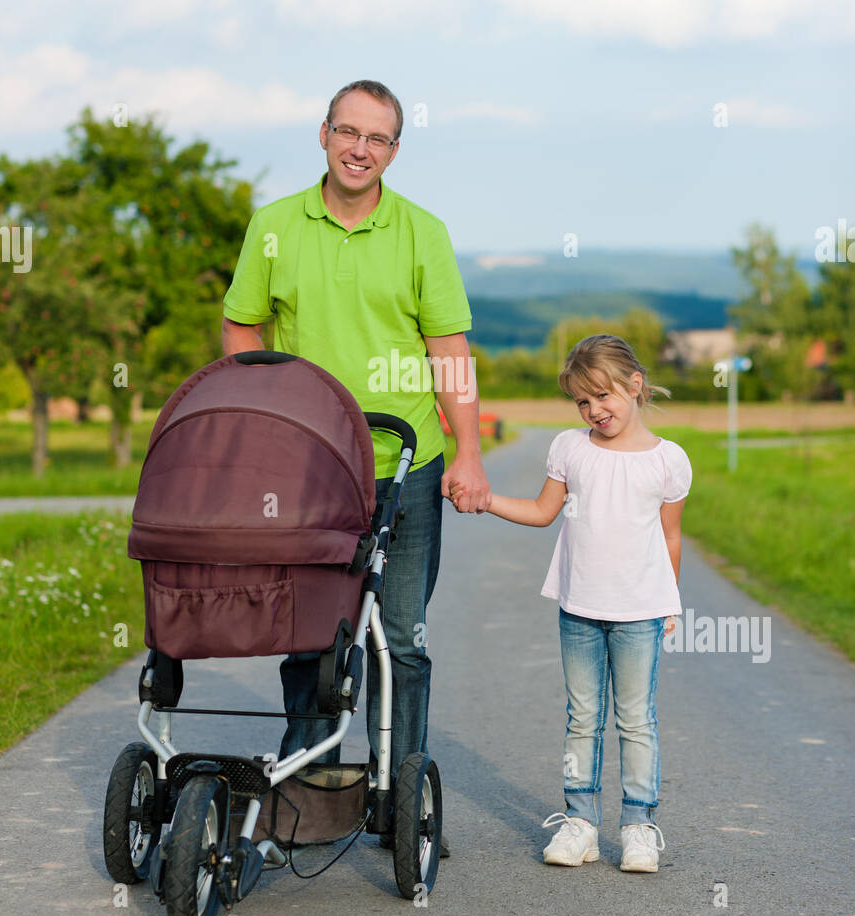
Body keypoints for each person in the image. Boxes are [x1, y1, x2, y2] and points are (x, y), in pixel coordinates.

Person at [221, 79, 491, 850]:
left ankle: (401, 802)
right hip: (307, 466)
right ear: (324, 134)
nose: (360, 149)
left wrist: (469, 452)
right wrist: (261, 415)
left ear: (394, 151)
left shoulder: (422, 233)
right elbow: (242, 327)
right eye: (348, 132)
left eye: (377, 138)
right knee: (311, 632)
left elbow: (448, 352)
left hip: (406, 462)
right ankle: (304, 792)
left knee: (400, 638)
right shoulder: (274, 226)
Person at [450, 334, 691, 872]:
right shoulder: (570, 449)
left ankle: (638, 828)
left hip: (639, 615)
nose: (594, 410)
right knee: (582, 718)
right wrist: (486, 500)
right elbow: (542, 512)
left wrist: (669, 603)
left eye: (603, 395)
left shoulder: (668, 461)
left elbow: (670, 536)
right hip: (579, 610)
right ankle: (580, 824)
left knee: (636, 720)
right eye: (583, 401)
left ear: (635, 385)